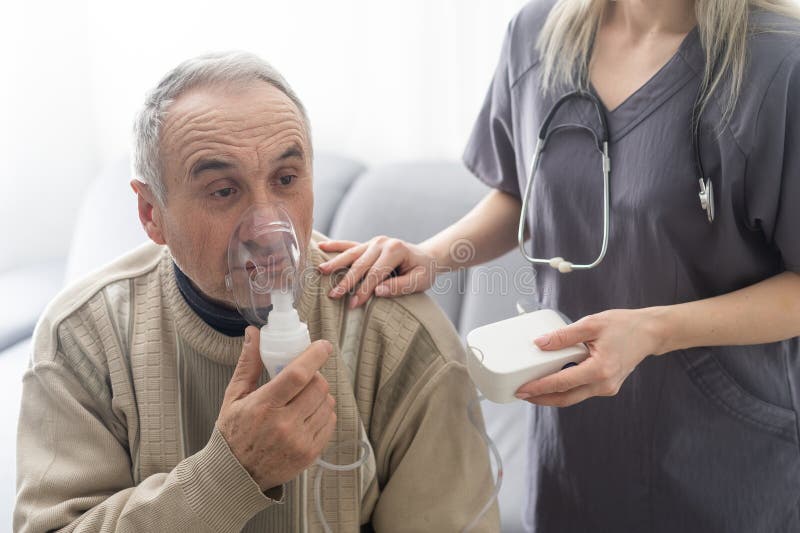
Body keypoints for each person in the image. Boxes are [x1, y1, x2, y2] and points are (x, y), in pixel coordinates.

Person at [316, 1, 800, 531]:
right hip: (573, 448)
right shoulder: (535, 34)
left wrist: (653, 330)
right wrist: (435, 256)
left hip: (724, 459)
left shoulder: (779, 64)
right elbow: (520, 193)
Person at [14, 52, 499, 533]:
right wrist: (226, 476)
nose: (268, 228)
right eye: (224, 191)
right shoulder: (81, 340)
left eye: (286, 180)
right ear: (150, 214)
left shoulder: (400, 337)